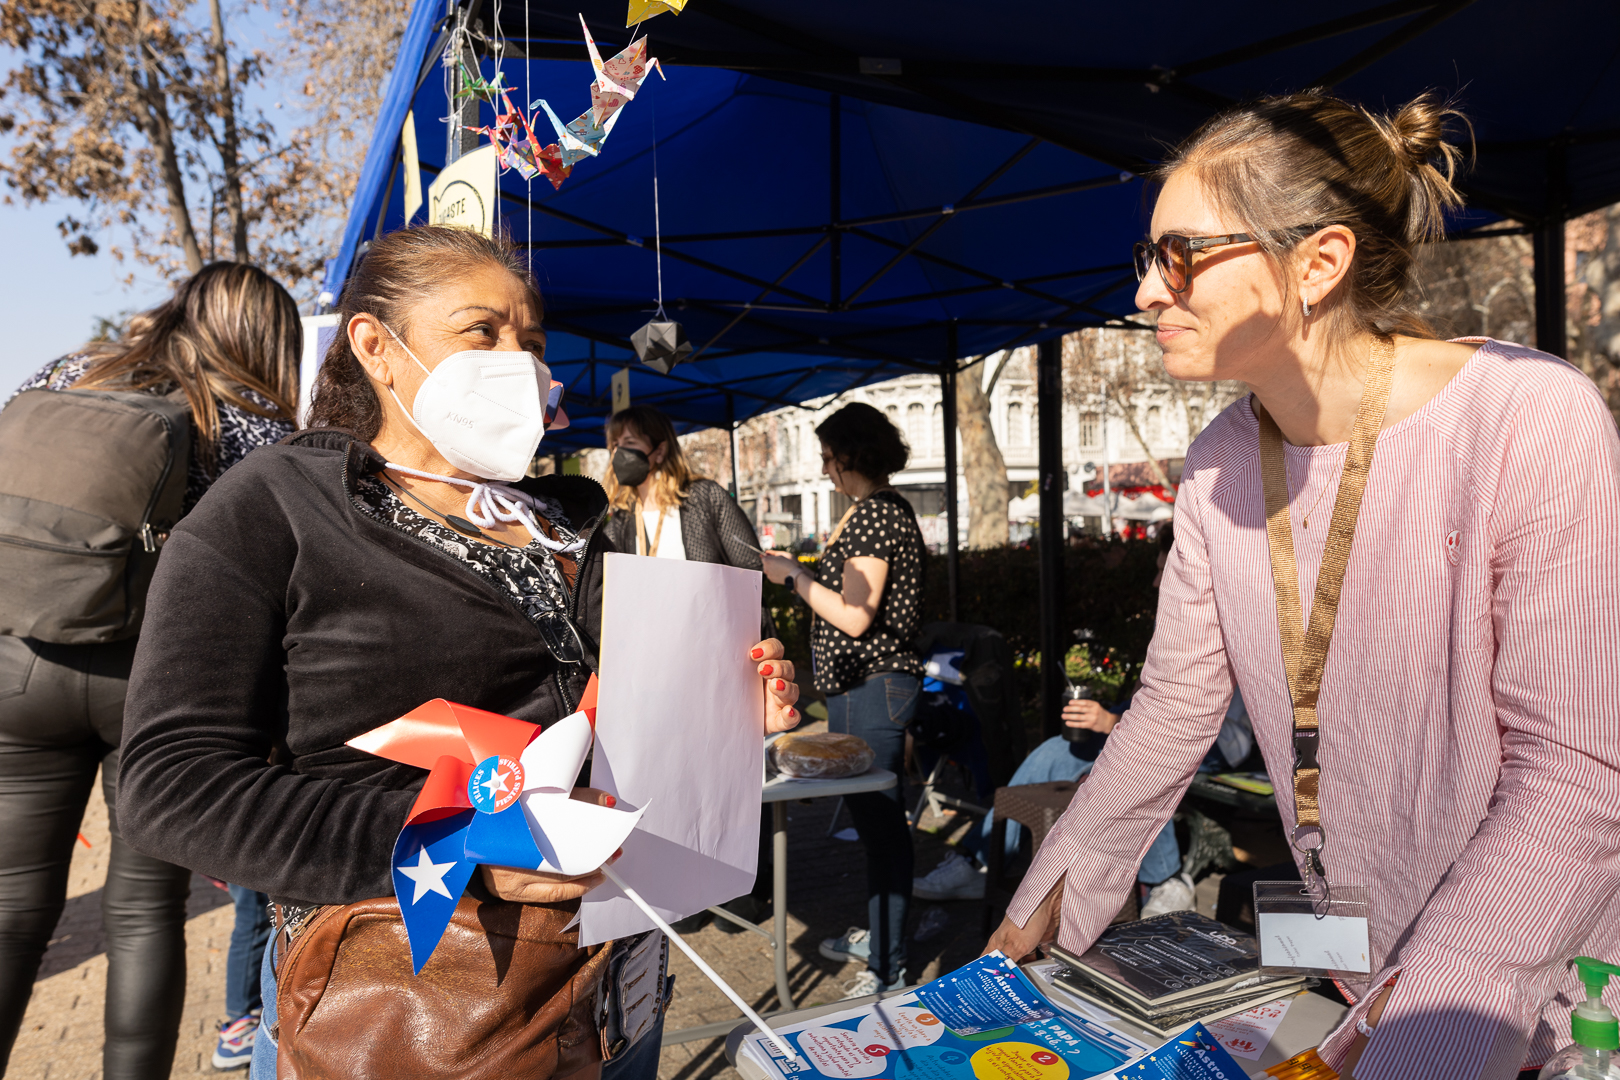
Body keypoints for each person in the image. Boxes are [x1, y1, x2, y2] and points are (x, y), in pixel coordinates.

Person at [984, 90, 1620, 1080]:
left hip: (1530, 996)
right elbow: (1174, 707)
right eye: (1147, 261)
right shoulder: (1217, 458)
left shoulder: (1531, 418)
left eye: (1180, 256)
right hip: (1346, 969)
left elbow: (1575, 778)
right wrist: (1042, 908)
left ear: (1317, 264)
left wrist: (1427, 1034)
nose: (1150, 292)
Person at [112, 226, 802, 1080]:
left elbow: (607, 718)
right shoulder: (269, 508)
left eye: (532, 341)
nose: (519, 360)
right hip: (410, 1020)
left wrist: (723, 705)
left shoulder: (571, 520)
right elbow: (168, 784)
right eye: (482, 331)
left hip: (617, 999)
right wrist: (456, 845)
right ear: (376, 347)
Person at [0, 263, 301, 1079]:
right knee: (142, 914)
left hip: (24, 662)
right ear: (267, 341)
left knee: (12, 905)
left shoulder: (70, 372)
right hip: (155, 691)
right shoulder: (253, 423)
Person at [914, 533, 1190, 917]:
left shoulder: (1212, 624)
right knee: (1052, 751)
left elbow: (1192, 722)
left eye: (1163, 571)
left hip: (1195, 738)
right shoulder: (1178, 619)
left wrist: (1112, 721)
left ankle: (1168, 880)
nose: (1156, 582)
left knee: (1136, 762)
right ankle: (980, 860)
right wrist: (1111, 716)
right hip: (1150, 722)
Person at [760, 403, 927, 999]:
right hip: (866, 688)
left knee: (881, 827)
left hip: (873, 685)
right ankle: (883, 938)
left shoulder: (876, 515)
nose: (826, 468)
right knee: (875, 824)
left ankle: (888, 964)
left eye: (829, 456)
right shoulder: (874, 513)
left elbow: (855, 616)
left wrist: (791, 575)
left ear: (852, 453)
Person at [601, 404, 777, 933]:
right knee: (673, 776)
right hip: (657, 672)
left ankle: (742, 892)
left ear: (659, 447)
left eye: (630, 442)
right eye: (614, 443)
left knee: (729, 775)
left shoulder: (704, 498)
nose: (619, 453)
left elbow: (751, 572)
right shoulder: (618, 515)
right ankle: (687, 891)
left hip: (718, 662)